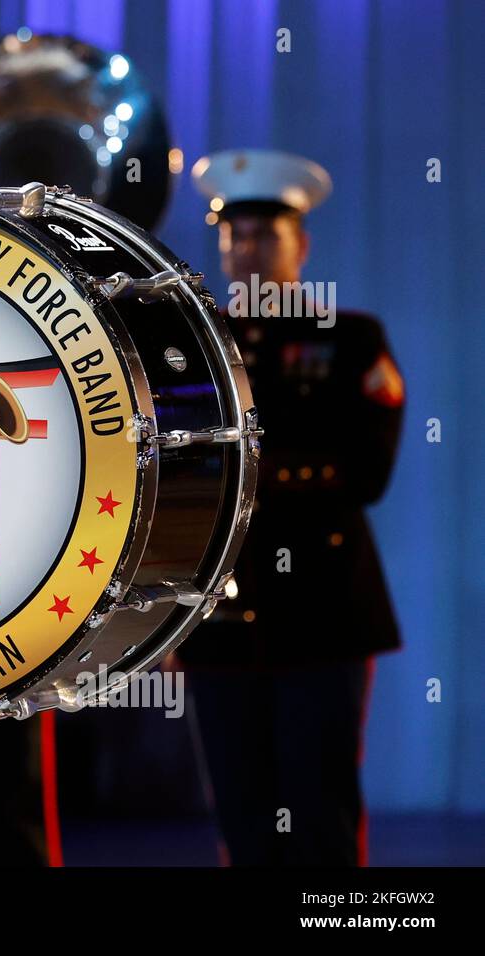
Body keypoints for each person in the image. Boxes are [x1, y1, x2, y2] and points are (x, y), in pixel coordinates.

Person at [177, 149, 405, 865]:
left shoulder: (349, 340)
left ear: (300, 245)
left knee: (319, 811)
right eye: (234, 236)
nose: (247, 251)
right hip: (220, 614)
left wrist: (252, 477)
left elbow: (365, 473)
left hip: (324, 611)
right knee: (242, 815)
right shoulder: (190, 346)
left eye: (265, 235)